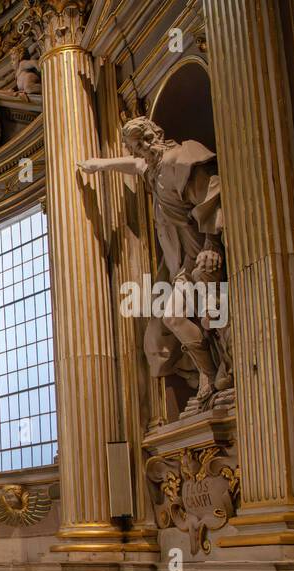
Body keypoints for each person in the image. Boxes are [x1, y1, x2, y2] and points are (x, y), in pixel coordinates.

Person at [78, 116, 228, 409]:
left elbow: (212, 198)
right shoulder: (151, 168)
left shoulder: (182, 158)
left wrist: (212, 245)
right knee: (173, 318)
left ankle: (222, 372)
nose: (143, 148)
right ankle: (208, 373)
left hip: (202, 252)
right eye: (137, 146)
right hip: (180, 260)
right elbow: (134, 166)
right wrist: (98, 164)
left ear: (157, 133)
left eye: (146, 140)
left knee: (213, 316)